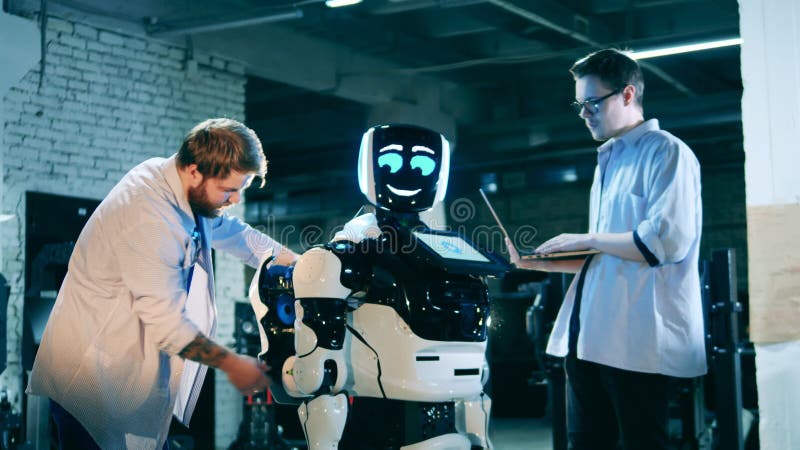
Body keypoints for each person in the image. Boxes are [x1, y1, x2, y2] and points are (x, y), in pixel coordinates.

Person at [27, 118, 298, 450]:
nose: (235, 199)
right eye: (229, 190)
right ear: (195, 170)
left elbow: (234, 233)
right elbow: (167, 324)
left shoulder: (176, 183)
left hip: (126, 373)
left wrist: (303, 267)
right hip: (90, 379)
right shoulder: (148, 215)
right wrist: (233, 364)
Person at [506, 49, 705, 449]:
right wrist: (542, 263)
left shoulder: (666, 152)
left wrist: (587, 238)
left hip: (639, 344)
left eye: (593, 103)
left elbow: (665, 241)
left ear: (628, 95)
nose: (584, 114)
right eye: (579, 105)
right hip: (590, 338)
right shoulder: (609, 161)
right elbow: (614, 252)